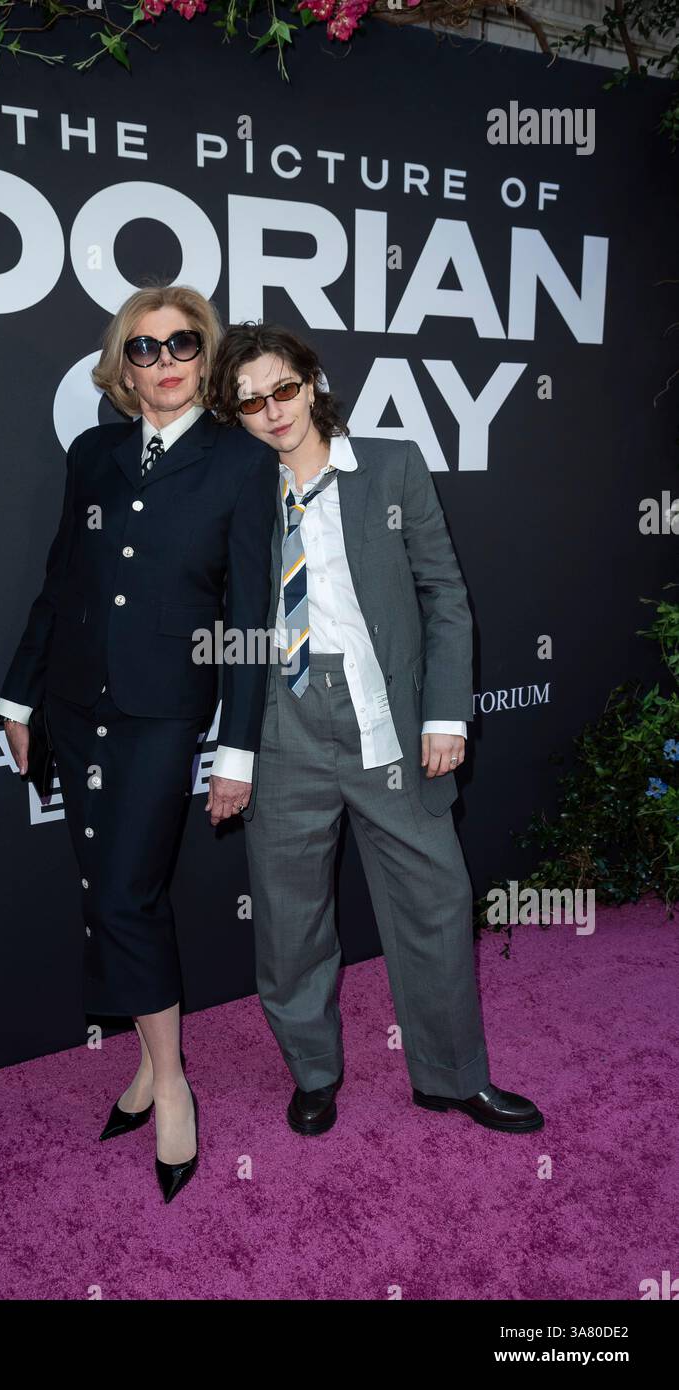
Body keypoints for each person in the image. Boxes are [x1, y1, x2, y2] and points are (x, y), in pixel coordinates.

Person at [206, 322, 544, 1137]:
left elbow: (444, 596)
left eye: (283, 389)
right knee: (289, 921)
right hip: (282, 718)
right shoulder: (235, 494)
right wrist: (236, 750)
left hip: (383, 715)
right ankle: (313, 1073)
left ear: (312, 382)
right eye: (250, 402)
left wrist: (444, 712)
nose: (273, 411)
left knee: (434, 899)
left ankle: (450, 1077)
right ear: (235, 414)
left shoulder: (390, 465)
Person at [0, 286, 278, 1201]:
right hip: (74, 703)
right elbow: (60, 578)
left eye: (181, 345)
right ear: (124, 364)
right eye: (144, 349)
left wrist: (236, 749)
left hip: (163, 714)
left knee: (124, 890)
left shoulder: (240, 461)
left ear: (206, 356)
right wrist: (19, 693)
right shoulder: (93, 453)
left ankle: (174, 1086)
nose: (164, 364)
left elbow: (250, 618)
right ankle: (155, 1070)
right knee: (113, 889)